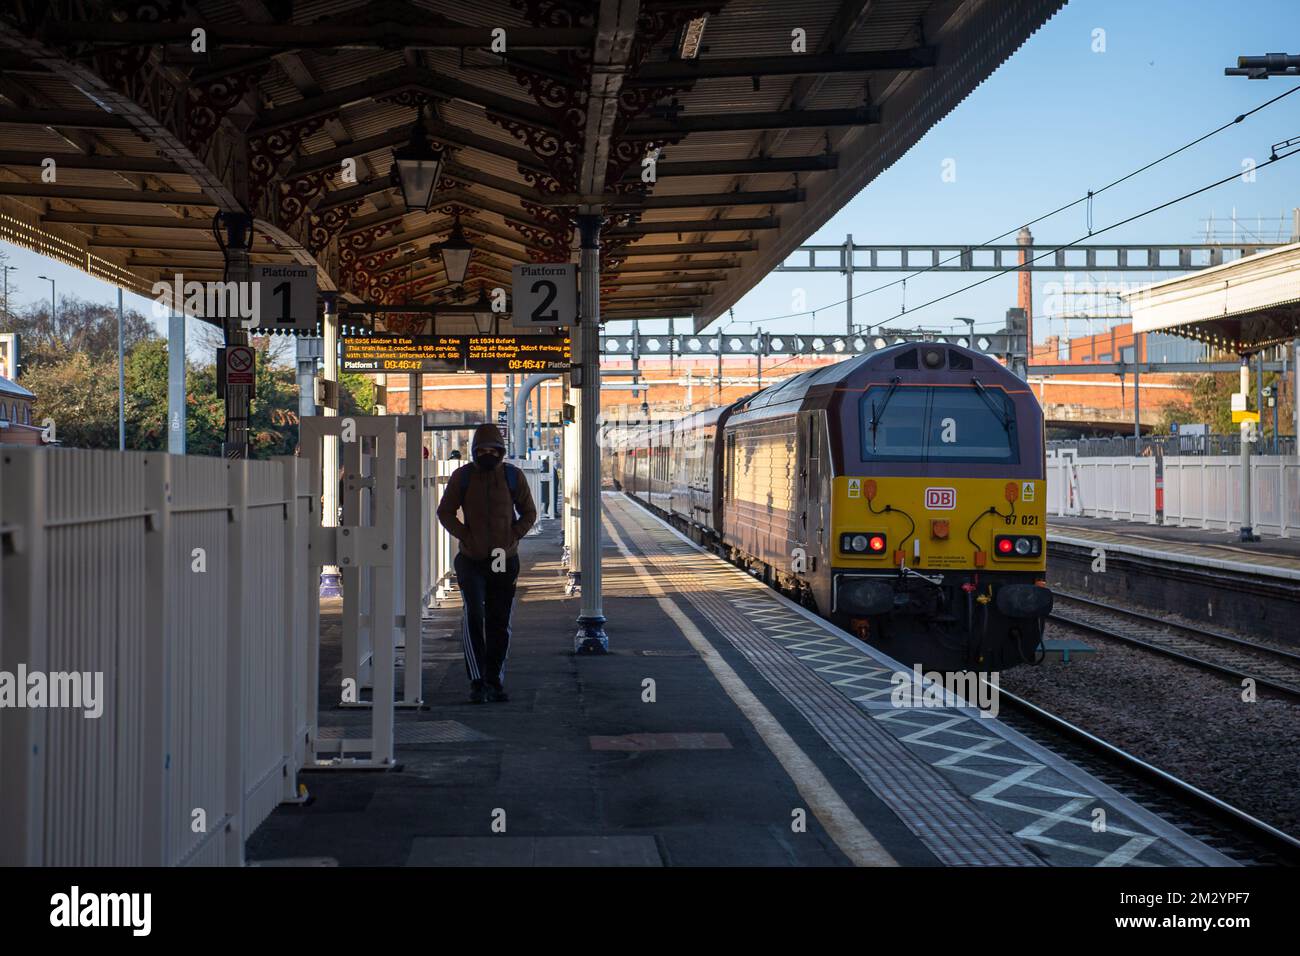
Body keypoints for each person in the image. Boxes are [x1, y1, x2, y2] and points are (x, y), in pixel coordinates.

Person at [436, 423, 536, 703]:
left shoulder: (513, 477)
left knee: (499, 620)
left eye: (494, 450)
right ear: (475, 452)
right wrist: (466, 536)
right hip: (471, 560)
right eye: (482, 450)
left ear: (501, 452)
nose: (488, 454)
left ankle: (495, 679)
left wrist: (512, 536)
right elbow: (445, 511)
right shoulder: (463, 477)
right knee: (474, 616)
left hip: (504, 559)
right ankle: (477, 680)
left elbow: (529, 512)